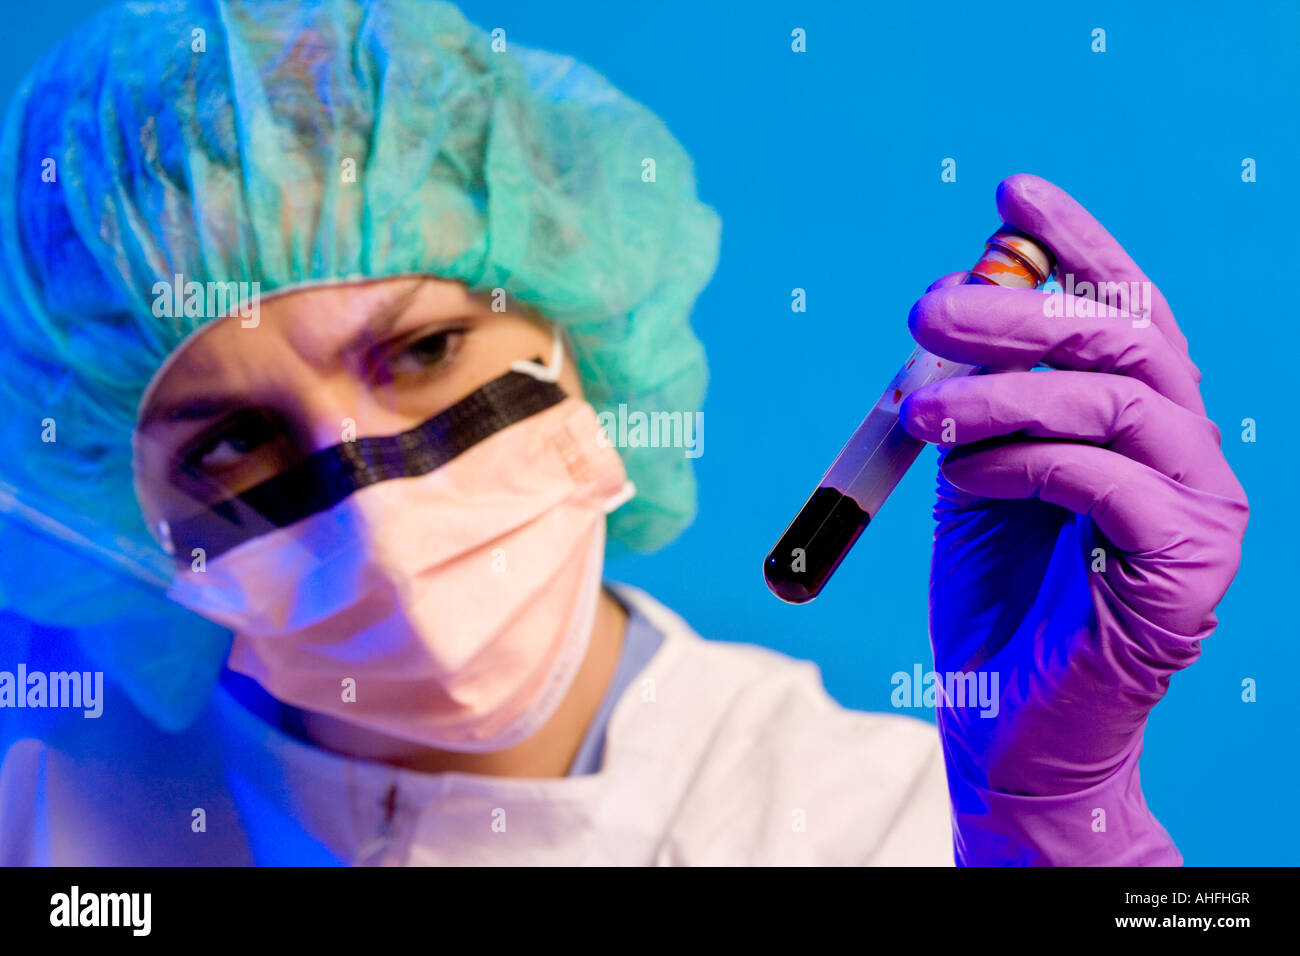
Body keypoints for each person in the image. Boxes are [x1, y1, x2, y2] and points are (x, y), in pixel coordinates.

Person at [0, 0, 1247, 866]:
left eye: (426, 349)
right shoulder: (49, 821)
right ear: (113, 502)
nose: (373, 503)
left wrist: (1052, 819)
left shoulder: (880, 822)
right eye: (228, 444)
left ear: (584, 333)